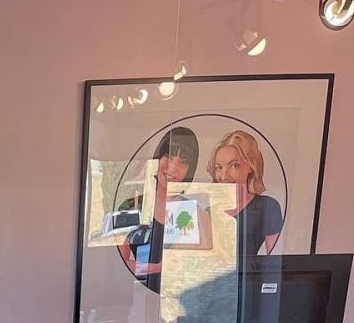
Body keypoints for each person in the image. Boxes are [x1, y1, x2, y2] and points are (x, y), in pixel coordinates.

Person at [119, 125, 199, 294]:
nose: (172, 168)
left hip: (179, 304)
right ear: (157, 158)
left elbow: (191, 270)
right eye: (168, 156)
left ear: (190, 170)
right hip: (136, 302)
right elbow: (121, 264)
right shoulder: (130, 207)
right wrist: (158, 268)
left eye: (183, 162)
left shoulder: (192, 212)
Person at [207, 129, 284, 265]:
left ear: (251, 166)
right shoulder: (206, 209)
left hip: (247, 284)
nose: (224, 176)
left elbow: (274, 263)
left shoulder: (267, 207)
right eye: (219, 167)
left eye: (234, 165)